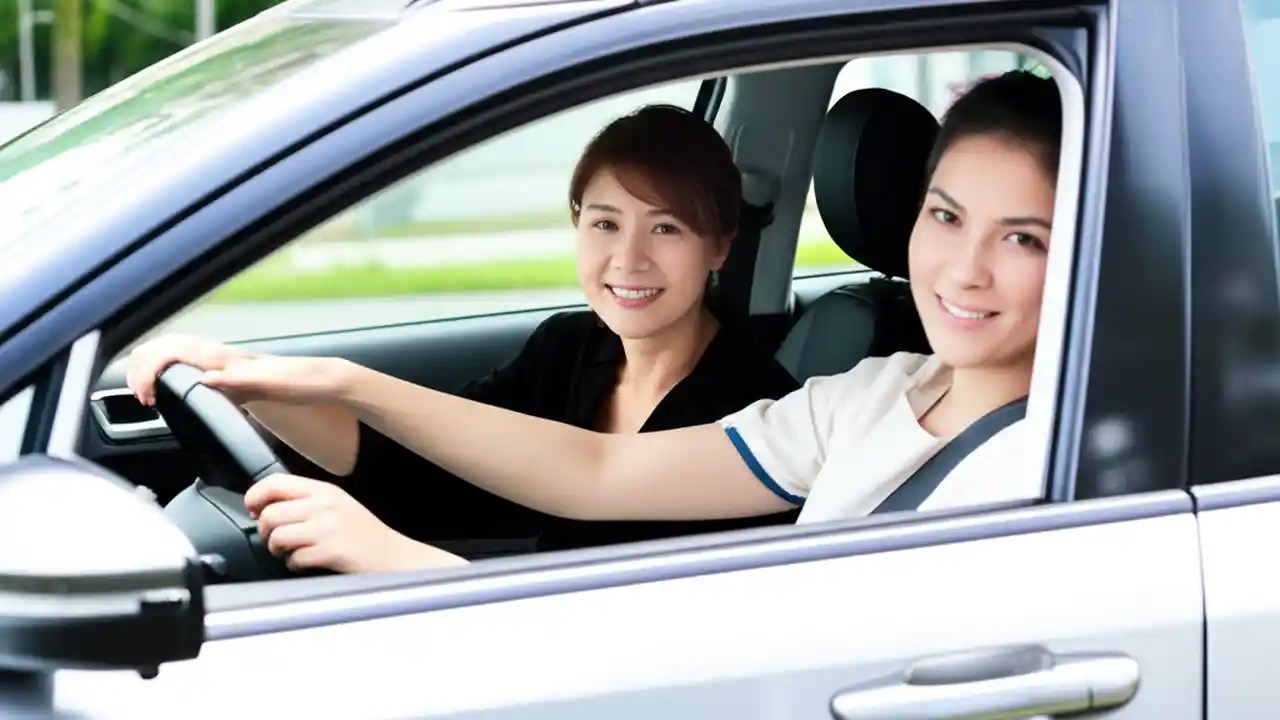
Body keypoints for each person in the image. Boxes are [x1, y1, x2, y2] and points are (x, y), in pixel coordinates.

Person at [138, 70, 1061, 574]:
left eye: (1022, 237)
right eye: (945, 215)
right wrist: (325, 381)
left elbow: (699, 673)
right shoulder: (866, 397)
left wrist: (409, 573)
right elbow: (593, 470)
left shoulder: (1061, 459)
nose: (964, 269)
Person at [127, 104, 801, 571]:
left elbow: (642, 635)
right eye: (603, 224)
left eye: (666, 229)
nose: (628, 259)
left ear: (720, 246)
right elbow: (417, 474)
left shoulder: (757, 418)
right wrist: (243, 380)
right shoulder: (568, 349)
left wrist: (400, 562)